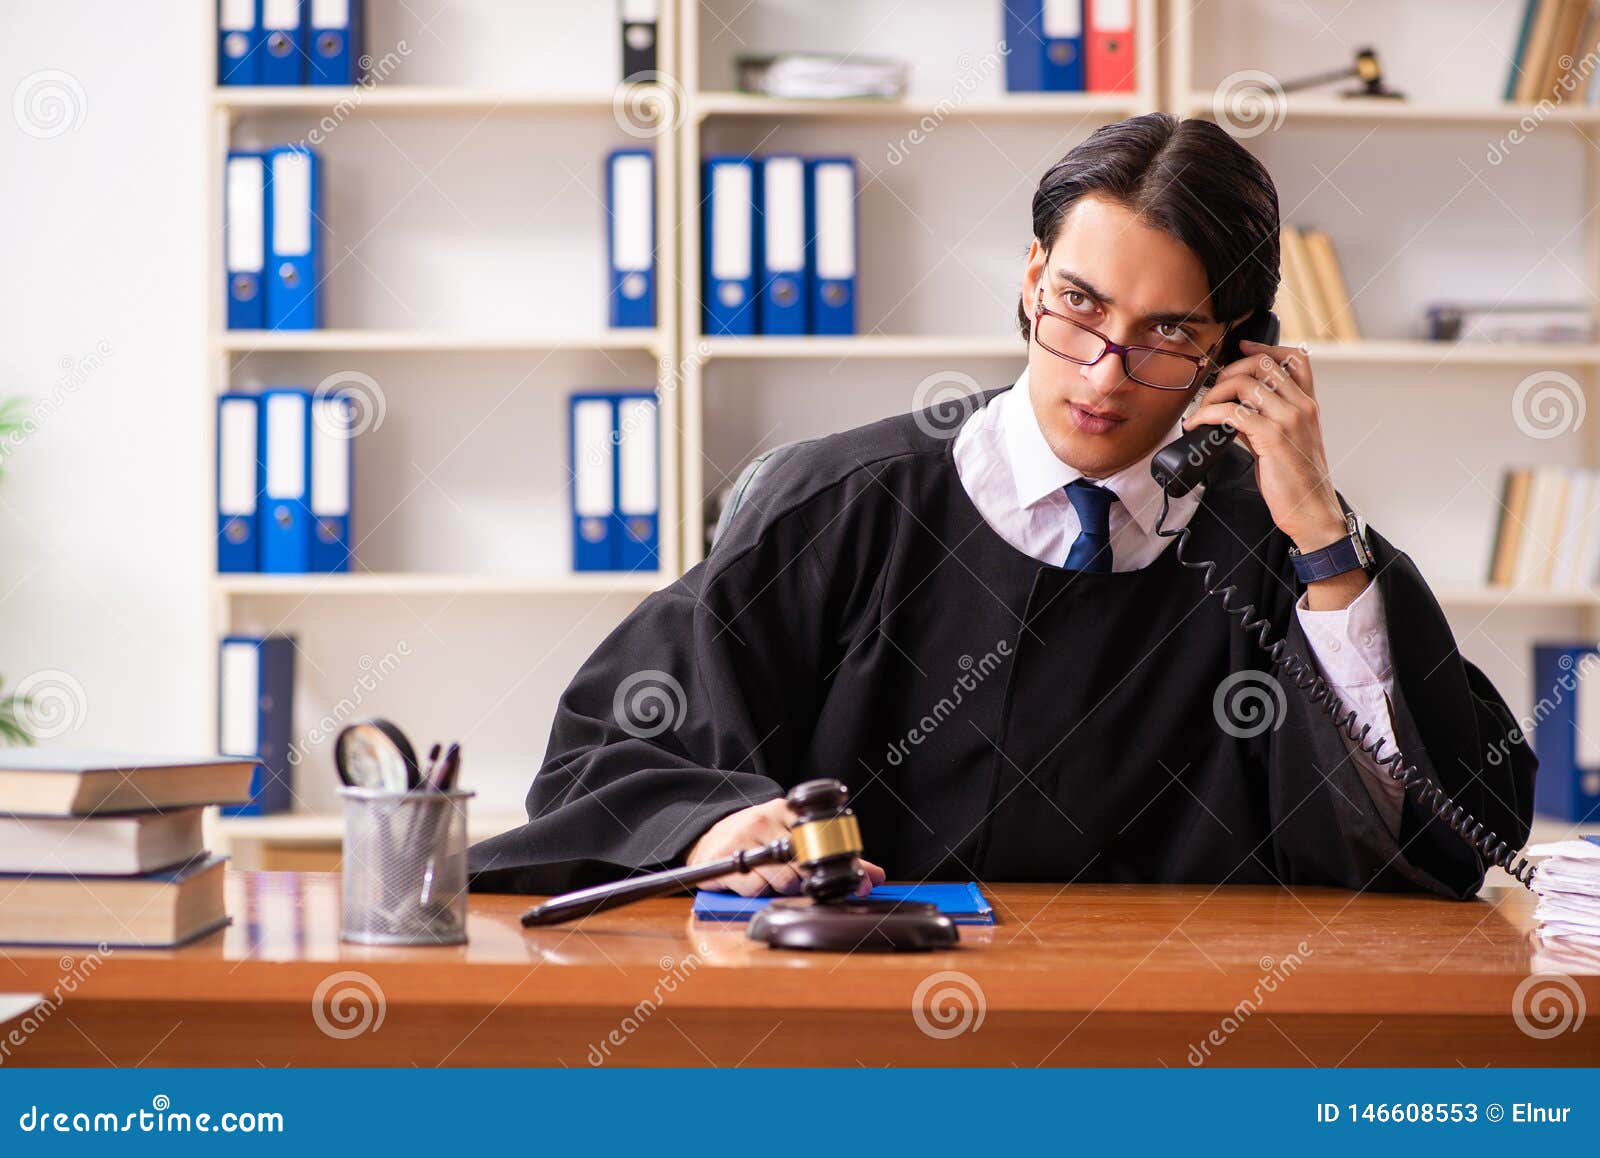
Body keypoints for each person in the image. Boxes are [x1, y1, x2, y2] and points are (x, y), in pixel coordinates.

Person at [469, 113, 1534, 901]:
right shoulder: (842, 506)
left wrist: (1319, 541)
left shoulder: (1281, 549)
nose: (1105, 376)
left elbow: (1423, 838)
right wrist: (716, 832)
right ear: (1031, 278)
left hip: (1182, 1051)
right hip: (852, 1034)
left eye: (1167, 333)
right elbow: (610, 759)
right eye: (1078, 306)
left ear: (1237, 350)